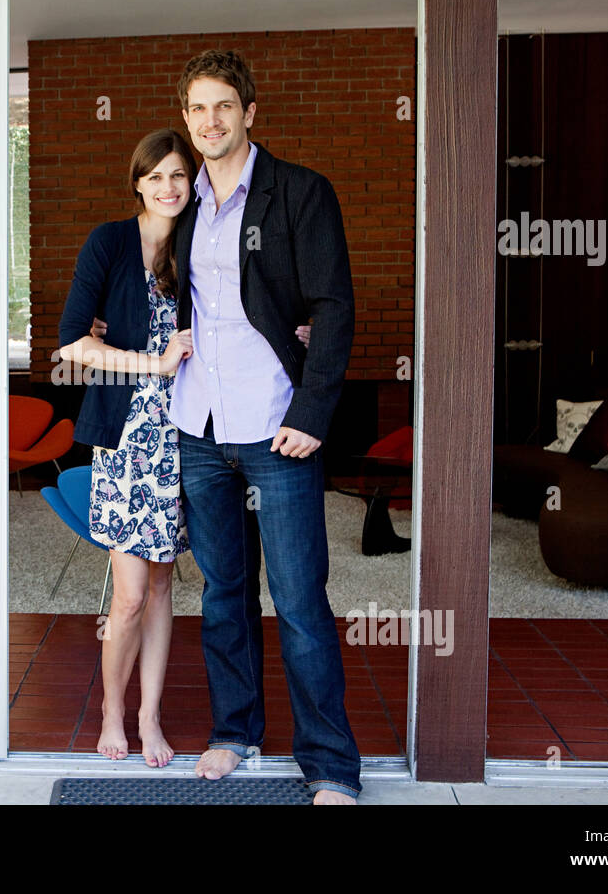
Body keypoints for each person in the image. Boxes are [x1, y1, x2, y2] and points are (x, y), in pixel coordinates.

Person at [168, 49, 362, 804]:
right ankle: (235, 730)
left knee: (300, 599)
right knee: (222, 594)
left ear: (249, 112)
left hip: (278, 428)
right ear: (186, 121)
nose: (209, 121)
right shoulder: (183, 206)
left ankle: (330, 765)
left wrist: (313, 414)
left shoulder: (300, 193)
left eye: (223, 106)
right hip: (198, 426)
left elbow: (334, 307)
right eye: (196, 109)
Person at [57, 128, 198, 767]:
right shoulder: (109, 242)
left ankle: (149, 717)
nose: (169, 188)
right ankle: (112, 709)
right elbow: (72, 345)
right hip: (125, 439)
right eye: (157, 176)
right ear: (138, 182)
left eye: (179, 176)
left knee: (167, 586)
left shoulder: (201, 244)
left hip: (189, 438)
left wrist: (293, 327)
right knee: (131, 593)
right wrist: (155, 364)